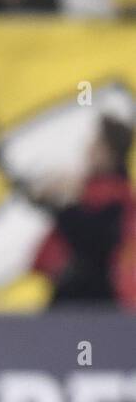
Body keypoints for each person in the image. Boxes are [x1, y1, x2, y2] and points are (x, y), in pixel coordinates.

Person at [30, 115, 135, 308]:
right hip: (74, 298)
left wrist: (67, 204)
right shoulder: (90, 189)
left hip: (94, 301)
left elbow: (95, 245)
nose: (88, 151)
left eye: (96, 145)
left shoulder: (116, 198)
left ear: (109, 152)